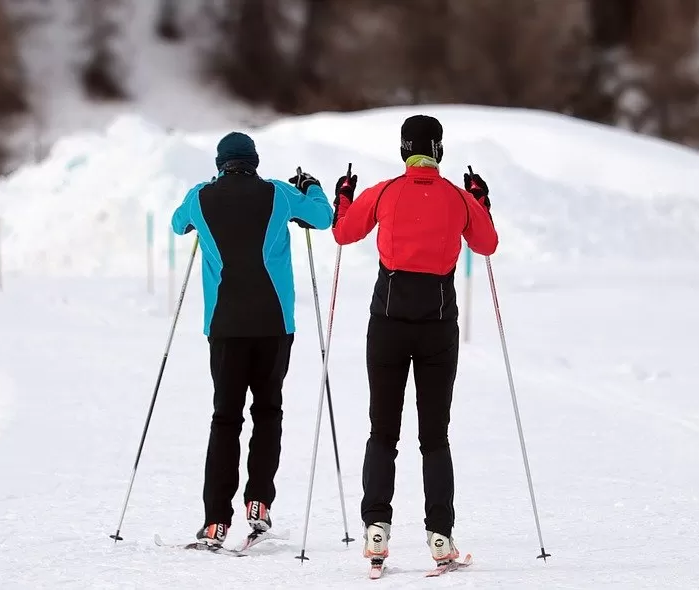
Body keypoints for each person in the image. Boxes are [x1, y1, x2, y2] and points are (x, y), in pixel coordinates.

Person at [330, 115, 497, 567]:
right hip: (438, 326)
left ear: (404, 150)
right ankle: (440, 537)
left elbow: (343, 233)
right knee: (434, 437)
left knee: (382, 431)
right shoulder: (459, 199)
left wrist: (343, 197)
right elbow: (487, 244)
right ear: (439, 150)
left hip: (387, 323)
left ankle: (377, 530)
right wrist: (481, 200)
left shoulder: (383, 192)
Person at [171, 131, 334, 547]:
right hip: (274, 324)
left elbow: (177, 224)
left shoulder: (200, 197)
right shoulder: (278, 194)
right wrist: (310, 184)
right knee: (268, 411)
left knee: (225, 418)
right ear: (255, 161)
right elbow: (322, 217)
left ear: (220, 163)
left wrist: (199, 191)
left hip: (224, 326)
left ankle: (215, 521)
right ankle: (259, 501)